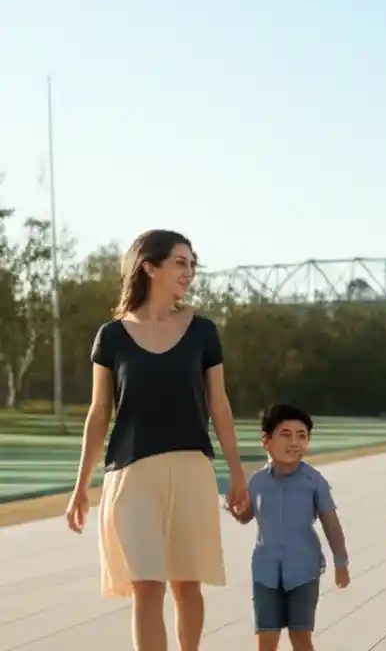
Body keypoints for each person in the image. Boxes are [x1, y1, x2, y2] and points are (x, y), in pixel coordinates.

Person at [64, 229, 249, 651]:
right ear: (150, 266)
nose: (189, 272)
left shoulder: (202, 332)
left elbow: (219, 406)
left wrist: (237, 473)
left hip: (191, 472)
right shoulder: (110, 337)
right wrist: (80, 487)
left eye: (192, 264)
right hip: (131, 477)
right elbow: (99, 414)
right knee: (146, 587)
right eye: (180, 262)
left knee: (187, 586)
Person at [229, 404, 350, 651]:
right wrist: (237, 511)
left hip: (304, 571)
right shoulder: (257, 481)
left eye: (301, 435)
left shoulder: (314, 482)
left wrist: (341, 562)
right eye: (285, 435)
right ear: (266, 441)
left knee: (300, 635)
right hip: (265, 571)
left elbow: (331, 524)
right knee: (266, 639)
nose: (294, 442)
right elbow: (247, 516)